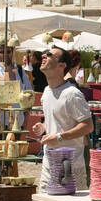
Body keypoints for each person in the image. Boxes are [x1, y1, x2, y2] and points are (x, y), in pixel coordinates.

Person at [32, 44, 94, 191]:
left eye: (50, 55)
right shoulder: (47, 91)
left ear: (62, 65)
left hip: (70, 169)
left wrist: (59, 137)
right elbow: (56, 120)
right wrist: (43, 127)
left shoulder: (72, 94)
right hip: (49, 166)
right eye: (44, 53)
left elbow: (88, 125)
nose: (44, 56)